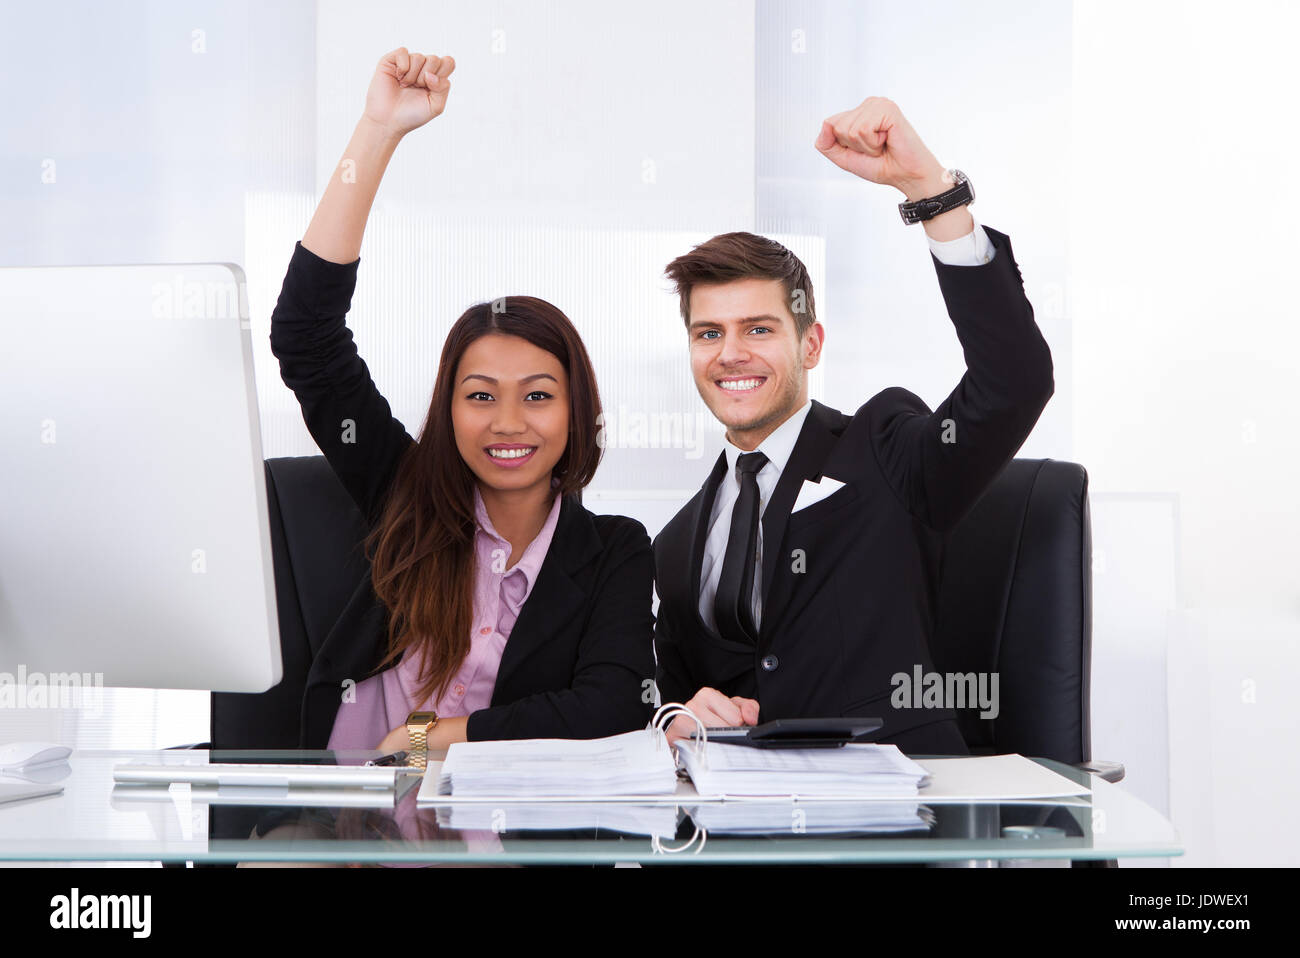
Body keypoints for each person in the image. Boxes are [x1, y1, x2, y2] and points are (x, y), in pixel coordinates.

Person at [269, 47, 655, 758]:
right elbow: (306, 336)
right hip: (347, 827)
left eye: (538, 396)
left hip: (496, 833)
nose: (508, 422)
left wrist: (433, 735)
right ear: (449, 411)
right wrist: (378, 131)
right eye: (480, 396)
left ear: (577, 413)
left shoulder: (613, 553)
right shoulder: (403, 493)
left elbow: (608, 707)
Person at [653, 96, 1054, 755]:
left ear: (811, 344)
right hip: (743, 831)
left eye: (759, 329)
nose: (730, 354)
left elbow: (1014, 382)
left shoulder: (882, 449)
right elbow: (673, 697)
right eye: (708, 333)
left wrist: (932, 194)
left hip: (896, 821)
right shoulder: (675, 543)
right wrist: (677, 716)